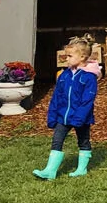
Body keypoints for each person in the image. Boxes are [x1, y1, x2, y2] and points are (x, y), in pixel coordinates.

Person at [34, 38, 100, 180]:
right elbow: (56, 97)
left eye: (70, 56)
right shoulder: (64, 75)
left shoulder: (89, 77)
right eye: (66, 56)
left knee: (83, 141)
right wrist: (52, 116)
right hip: (62, 116)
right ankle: (50, 171)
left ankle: (81, 169)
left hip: (81, 118)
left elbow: (87, 100)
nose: (67, 59)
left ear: (82, 57)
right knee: (57, 140)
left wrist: (79, 118)